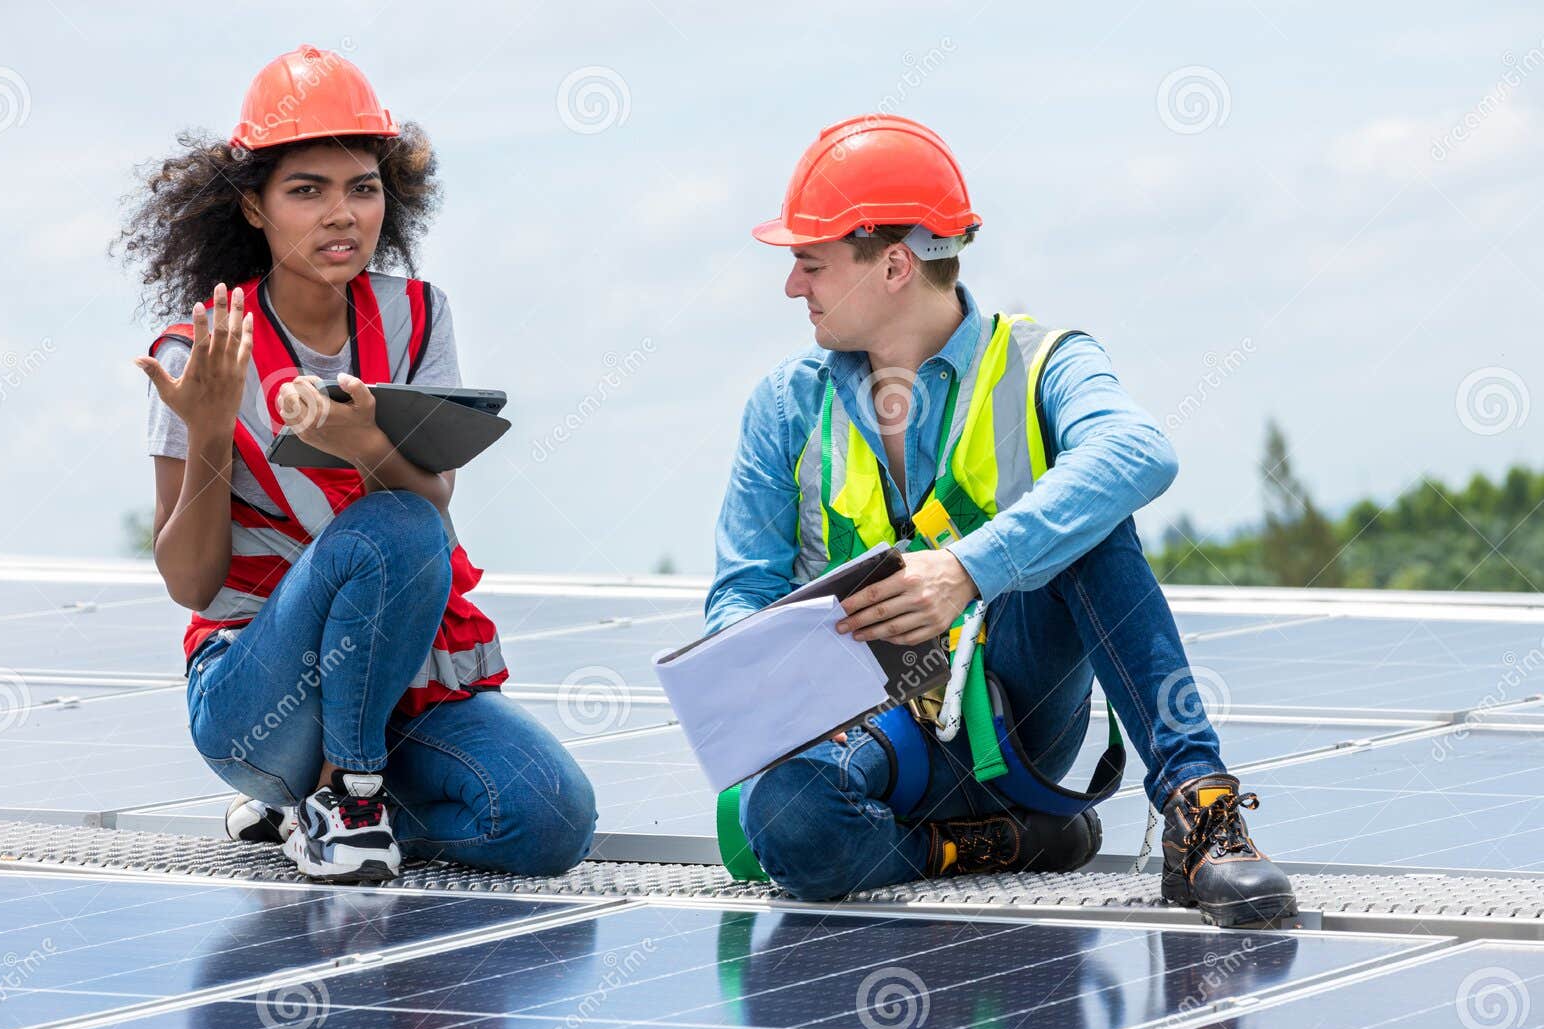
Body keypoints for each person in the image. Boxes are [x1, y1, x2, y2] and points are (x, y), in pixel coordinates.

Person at [704, 115, 1295, 927]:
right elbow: (739, 600)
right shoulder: (784, 405)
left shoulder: (1044, 360)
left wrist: (967, 570)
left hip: (1012, 716)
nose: (791, 286)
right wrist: (786, 698)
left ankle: (1201, 813)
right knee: (785, 822)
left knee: (1094, 526)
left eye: (811, 262)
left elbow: (1139, 452)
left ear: (894, 265)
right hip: (870, 735)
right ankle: (1005, 842)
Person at [117, 44, 596, 883]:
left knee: (549, 822)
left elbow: (433, 500)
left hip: (396, 685)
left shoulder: (417, 315)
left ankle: (325, 801)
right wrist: (208, 433)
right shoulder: (200, 349)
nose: (342, 215)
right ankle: (341, 797)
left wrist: (365, 444)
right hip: (255, 698)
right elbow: (193, 586)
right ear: (254, 208)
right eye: (307, 191)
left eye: (362, 187)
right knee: (395, 526)